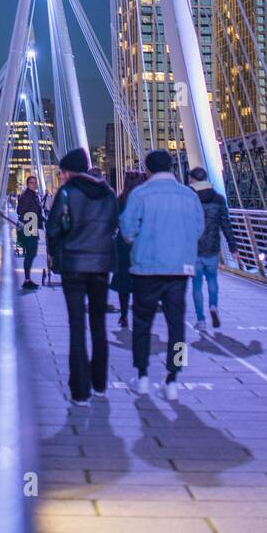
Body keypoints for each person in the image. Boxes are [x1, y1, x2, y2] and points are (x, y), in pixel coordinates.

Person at [119, 149, 204, 400]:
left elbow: (127, 229)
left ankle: (143, 376)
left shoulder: (140, 194)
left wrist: (140, 242)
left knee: (142, 324)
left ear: (147, 170)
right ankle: (173, 379)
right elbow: (198, 228)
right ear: (172, 167)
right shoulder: (189, 196)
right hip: (180, 270)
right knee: (177, 326)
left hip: (146, 268)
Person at [46, 146, 119, 407]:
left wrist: (55, 254)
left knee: (77, 327)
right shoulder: (108, 193)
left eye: (62, 172)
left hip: (74, 266)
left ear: (69, 172)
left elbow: (53, 228)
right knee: (99, 325)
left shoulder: (66, 193)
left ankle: (80, 392)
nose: (62, 177)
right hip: (101, 267)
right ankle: (100, 384)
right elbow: (113, 225)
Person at [188, 165, 238, 331]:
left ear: (193, 179)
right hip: (212, 247)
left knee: (196, 284)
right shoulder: (218, 198)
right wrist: (233, 247)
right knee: (212, 280)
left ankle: (201, 320)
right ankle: (213, 307)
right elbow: (226, 224)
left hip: (193, 248)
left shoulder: (189, 197)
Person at [111, 169, 145, 327]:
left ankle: (123, 315)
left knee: (124, 280)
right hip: (141, 244)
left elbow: (114, 222)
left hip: (123, 244)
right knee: (141, 281)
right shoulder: (145, 200)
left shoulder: (120, 200)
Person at [16, 173, 45, 290]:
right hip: (29, 227)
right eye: (31, 183)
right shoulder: (27, 196)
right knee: (30, 254)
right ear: (27, 184)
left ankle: (28, 279)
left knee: (31, 254)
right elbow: (24, 212)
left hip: (31, 226)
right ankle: (27, 280)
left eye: (35, 182)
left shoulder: (33, 195)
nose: (34, 184)